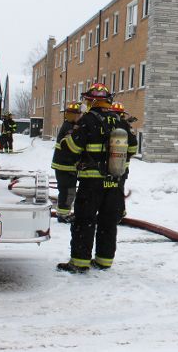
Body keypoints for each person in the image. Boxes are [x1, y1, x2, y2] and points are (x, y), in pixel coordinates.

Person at [56, 84, 132, 273]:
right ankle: (104, 261)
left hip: (91, 182)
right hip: (114, 182)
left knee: (85, 220)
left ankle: (80, 262)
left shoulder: (88, 120)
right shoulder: (120, 121)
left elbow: (73, 147)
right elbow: (132, 149)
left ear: (91, 101)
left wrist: (67, 141)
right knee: (108, 222)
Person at [51, 102, 82, 223]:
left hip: (65, 166)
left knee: (67, 191)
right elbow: (71, 146)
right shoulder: (70, 128)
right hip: (65, 166)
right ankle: (63, 215)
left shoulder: (69, 125)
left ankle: (64, 213)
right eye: (78, 114)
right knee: (67, 191)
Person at [108, 102, 139, 219]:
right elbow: (133, 146)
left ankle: (110, 212)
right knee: (118, 189)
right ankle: (119, 212)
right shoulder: (125, 126)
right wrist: (125, 156)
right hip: (122, 166)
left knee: (107, 189)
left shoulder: (107, 123)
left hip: (105, 165)